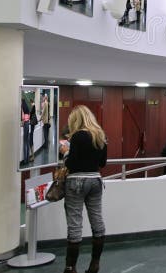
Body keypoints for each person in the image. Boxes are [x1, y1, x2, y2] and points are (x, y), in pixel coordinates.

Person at [61, 105, 107, 273]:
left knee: (75, 225)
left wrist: (66, 152)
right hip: (95, 180)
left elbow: (71, 164)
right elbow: (102, 163)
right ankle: (95, 264)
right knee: (97, 221)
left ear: (76, 120)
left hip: (76, 181)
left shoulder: (78, 136)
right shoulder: (100, 136)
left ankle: (70, 267)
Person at [21, 98, 31, 164]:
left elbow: (22, 118)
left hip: (25, 124)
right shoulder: (27, 107)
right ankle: (27, 159)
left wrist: (22, 123)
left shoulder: (22, 107)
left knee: (25, 142)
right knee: (27, 142)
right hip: (28, 124)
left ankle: (25, 160)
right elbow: (29, 116)